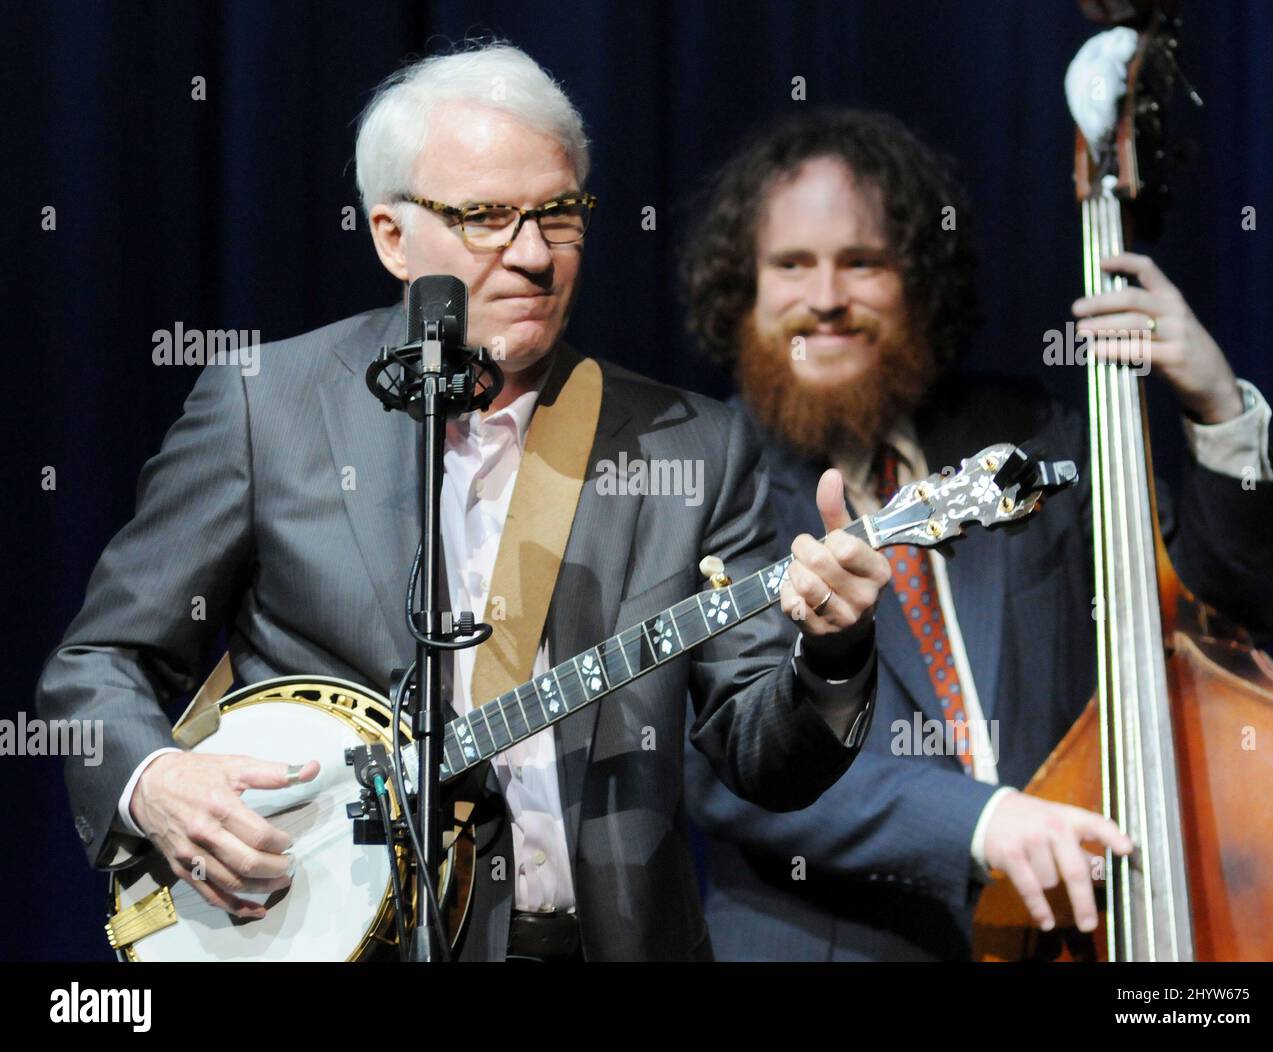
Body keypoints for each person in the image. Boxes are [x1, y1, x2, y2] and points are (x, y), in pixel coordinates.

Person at [34, 47, 892, 962]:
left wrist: (831, 653)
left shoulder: (693, 444)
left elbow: (764, 759)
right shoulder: (267, 406)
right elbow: (97, 665)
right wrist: (156, 780)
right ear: (392, 236)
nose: (533, 255)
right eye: (485, 217)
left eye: (558, 214)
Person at [680, 109, 1273, 961]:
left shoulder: (1036, 438)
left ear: (918, 281)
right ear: (741, 288)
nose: (825, 298)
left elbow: (1228, 616)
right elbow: (728, 765)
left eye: (862, 262)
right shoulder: (707, 477)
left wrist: (1218, 409)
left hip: (1069, 939)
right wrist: (981, 823)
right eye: (792, 265)